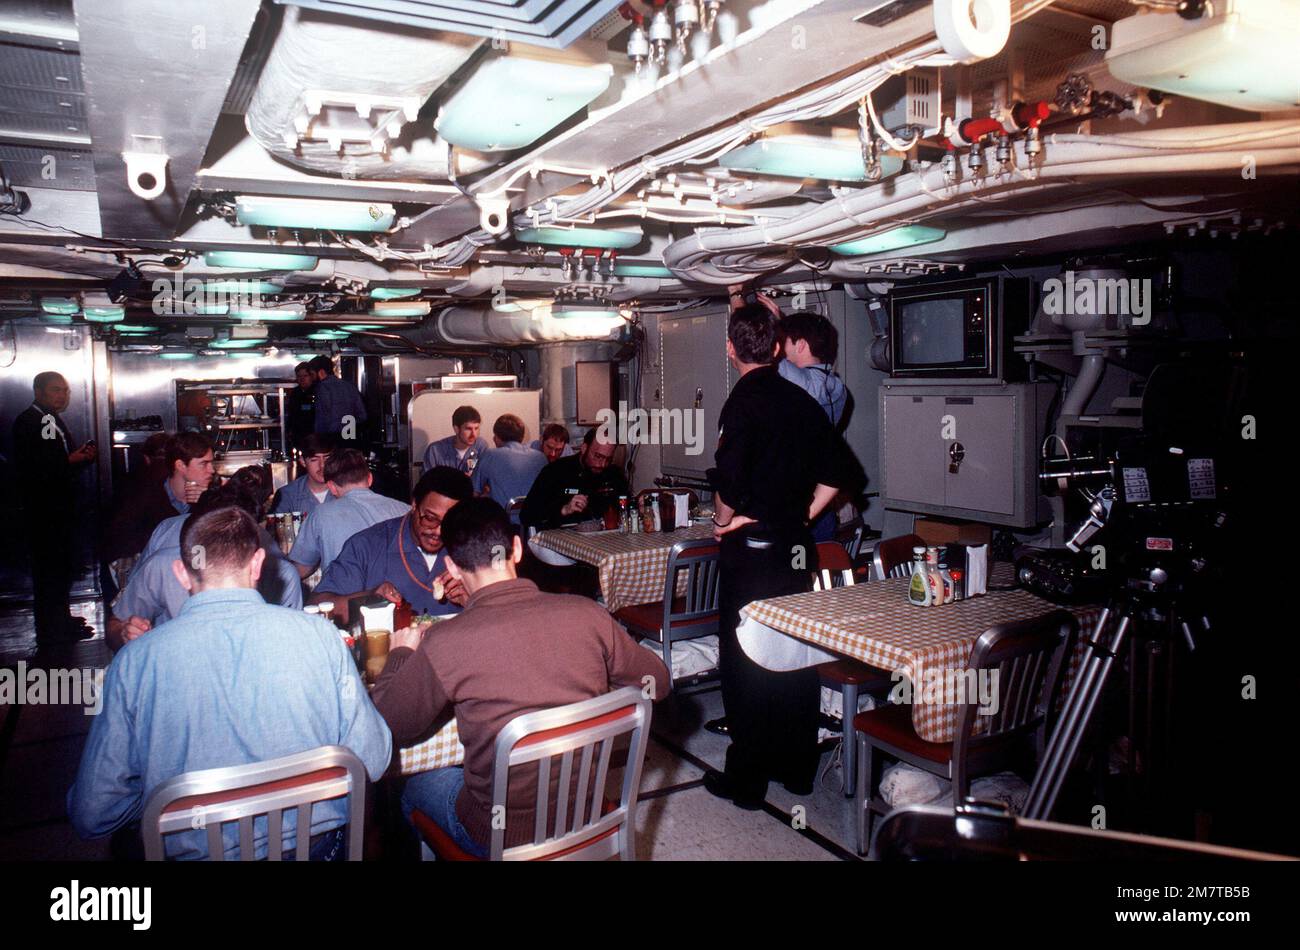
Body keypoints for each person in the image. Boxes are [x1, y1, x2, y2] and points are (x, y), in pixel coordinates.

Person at [68, 506, 390, 860]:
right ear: (257, 565)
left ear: (181, 572)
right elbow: (373, 759)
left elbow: (92, 813)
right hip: (313, 850)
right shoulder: (321, 636)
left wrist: (161, 805)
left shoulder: (136, 661)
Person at [370, 498, 670, 857]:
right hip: (586, 814)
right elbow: (658, 682)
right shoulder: (587, 613)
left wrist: (400, 653)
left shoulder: (445, 642)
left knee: (410, 784)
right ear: (516, 548)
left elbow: (387, 726)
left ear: (450, 564)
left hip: (496, 835)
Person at [702, 303, 849, 810]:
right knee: (794, 655)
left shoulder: (741, 404)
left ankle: (746, 782)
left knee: (746, 660)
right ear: (776, 347)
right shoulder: (803, 400)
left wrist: (722, 524)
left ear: (730, 349)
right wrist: (803, 517)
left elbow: (727, 483)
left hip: (754, 551)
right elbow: (838, 476)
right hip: (795, 549)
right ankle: (798, 771)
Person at [107, 480, 303, 650]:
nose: (224, 544)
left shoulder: (282, 575)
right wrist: (124, 632)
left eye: (236, 535)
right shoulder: (162, 566)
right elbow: (114, 627)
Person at [312, 466, 472, 622]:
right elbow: (315, 606)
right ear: (414, 505)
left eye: (450, 523)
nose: (438, 532)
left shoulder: (472, 546)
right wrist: (370, 597)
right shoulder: (367, 545)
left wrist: (474, 599)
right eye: (430, 518)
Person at [11, 371, 97, 642]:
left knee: (58, 569)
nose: (62, 396)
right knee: (51, 570)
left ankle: (60, 619)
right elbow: (44, 466)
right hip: (46, 512)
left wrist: (78, 459)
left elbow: (53, 459)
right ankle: (54, 628)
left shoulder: (47, 418)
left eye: (65, 391)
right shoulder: (39, 419)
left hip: (54, 510)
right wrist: (73, 459)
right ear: (38, 391)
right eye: (55, 390)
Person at [290, 448, 409, 578]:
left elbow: (301, 569)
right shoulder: (406, 511)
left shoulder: (320, 514)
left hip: (345, 595)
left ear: (332, 487)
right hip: (399, 594)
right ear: (369, 479)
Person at [521, 428, 629, 530]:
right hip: (560, 539)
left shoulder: (613, 474)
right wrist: (564, 509)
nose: (602, 464)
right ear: (584, 448)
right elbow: (527, 515)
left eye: (608, 459)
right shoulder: (555, 471)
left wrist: (639, 505)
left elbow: (626, 505)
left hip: (603, 538)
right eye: (597, 456)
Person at [472, 414, 547, 523]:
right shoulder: (541, 457)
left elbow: (474, 492)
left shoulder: (490, 455)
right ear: (521, 436)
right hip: (535, 523)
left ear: (497, 437)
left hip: (504, 526)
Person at [272, 432, 338, 514]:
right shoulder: (288, 495)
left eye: (327, 459)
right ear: (303, 461)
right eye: (314, 460)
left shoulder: (345, 490)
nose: (322, 465)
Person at [308, 354, 367, 441]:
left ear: (321, 372)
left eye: (312, 374)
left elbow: (322, 418)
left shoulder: (322, 388)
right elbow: (362, 416)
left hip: (330, 439)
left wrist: (319, 439)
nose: (311, 378)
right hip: (350, 437)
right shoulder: (349, 386)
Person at [161, 432, 216, 515]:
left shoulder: (216, 495)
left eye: (211, 463)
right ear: (180, 465)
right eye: (203, 464)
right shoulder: (149, 502)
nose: (212, 470)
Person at [422, 405, 483, 474]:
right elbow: (427, 482)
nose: (474, 434)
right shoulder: (435, 451)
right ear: (456, 429)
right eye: (468, 429)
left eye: (476, 428)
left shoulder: (481, 446)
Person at [285, 361, 317, 453]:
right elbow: (291, 414)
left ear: (311, 376)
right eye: (299, 376)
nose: (302, 379)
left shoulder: (318, 391)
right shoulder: (295, 393)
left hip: (314, 436)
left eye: (305, 376)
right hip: (298, 437)